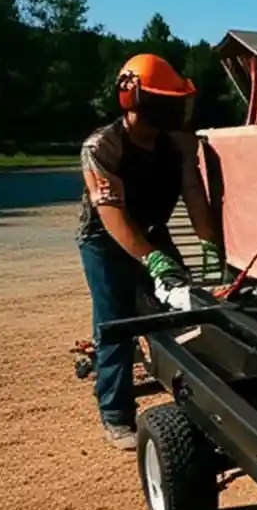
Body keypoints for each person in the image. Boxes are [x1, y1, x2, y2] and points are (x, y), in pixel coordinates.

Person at [77, 53, 224, 450]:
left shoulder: (178, 143)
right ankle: (116, 415)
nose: (175, 112)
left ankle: (194, 396)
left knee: (181, 308)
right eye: (166, 102)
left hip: (153, 232)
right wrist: (152, 259)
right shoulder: (102, 147)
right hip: (105, 240)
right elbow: (112, 215)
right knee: (116, 321)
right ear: (137, 100)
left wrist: (207, 240)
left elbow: (192, 191)